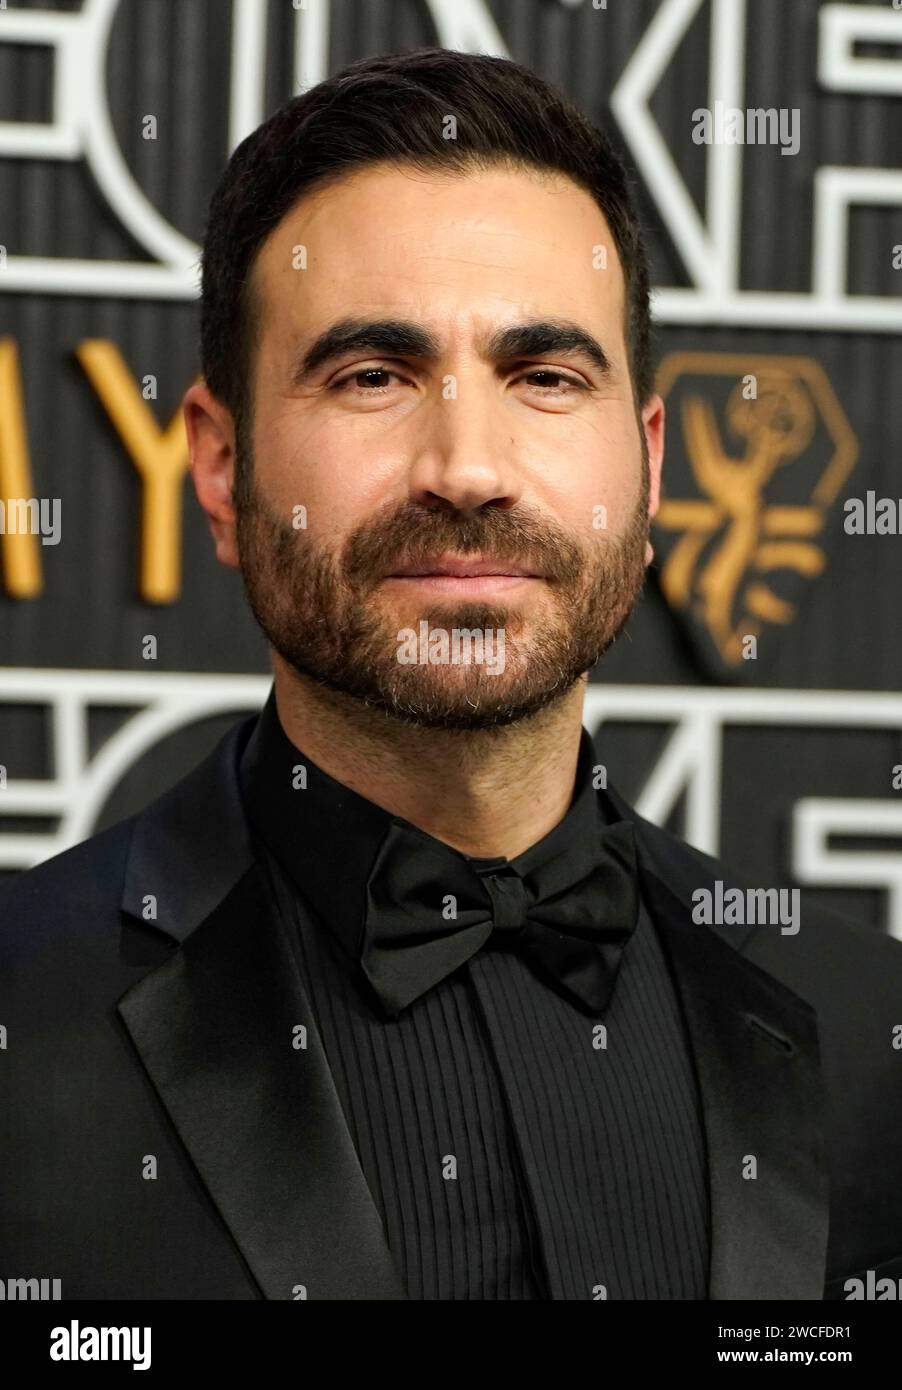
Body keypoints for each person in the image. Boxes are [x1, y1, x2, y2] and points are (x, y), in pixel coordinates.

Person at [2, 47, 900, 1302]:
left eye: (543, 376)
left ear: (645, 470)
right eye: (371, 375)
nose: (466, 466)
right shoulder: (23, 1012)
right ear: (219, 466)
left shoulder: (866, 1029)